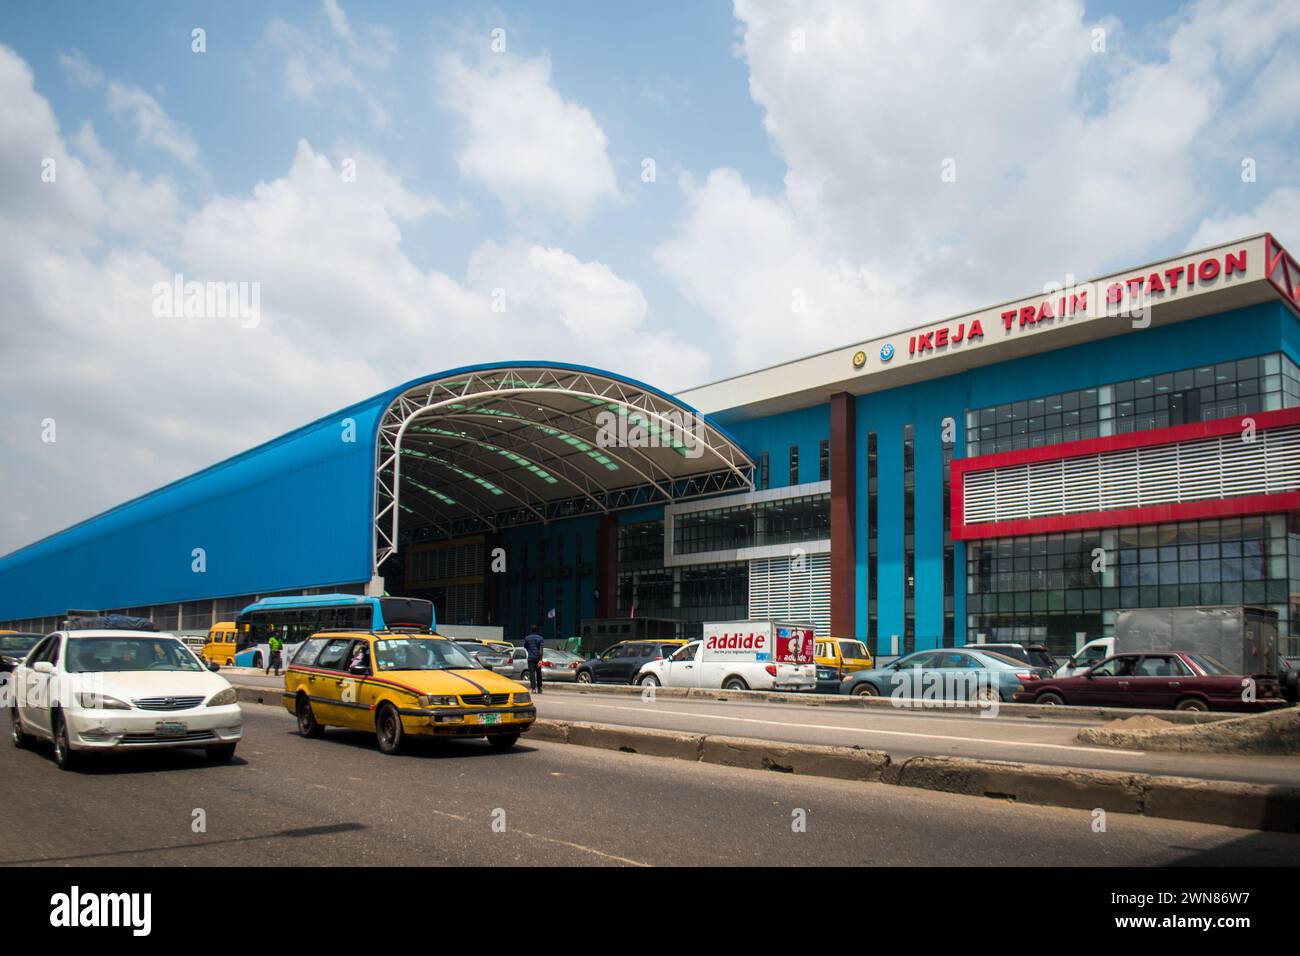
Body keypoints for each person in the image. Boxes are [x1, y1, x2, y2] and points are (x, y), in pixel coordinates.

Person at [523, 624, 546, 694]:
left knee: (532, 674)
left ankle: (533, 688)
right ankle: (539, 688)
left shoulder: (527, 638)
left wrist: (530, 651)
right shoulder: (540, 638)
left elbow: (525, 647)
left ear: (531, 630)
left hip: (530, 659)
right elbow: (541, 649)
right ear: (538, 630)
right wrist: (540, 660)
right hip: (537, 658)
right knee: (539, 673)